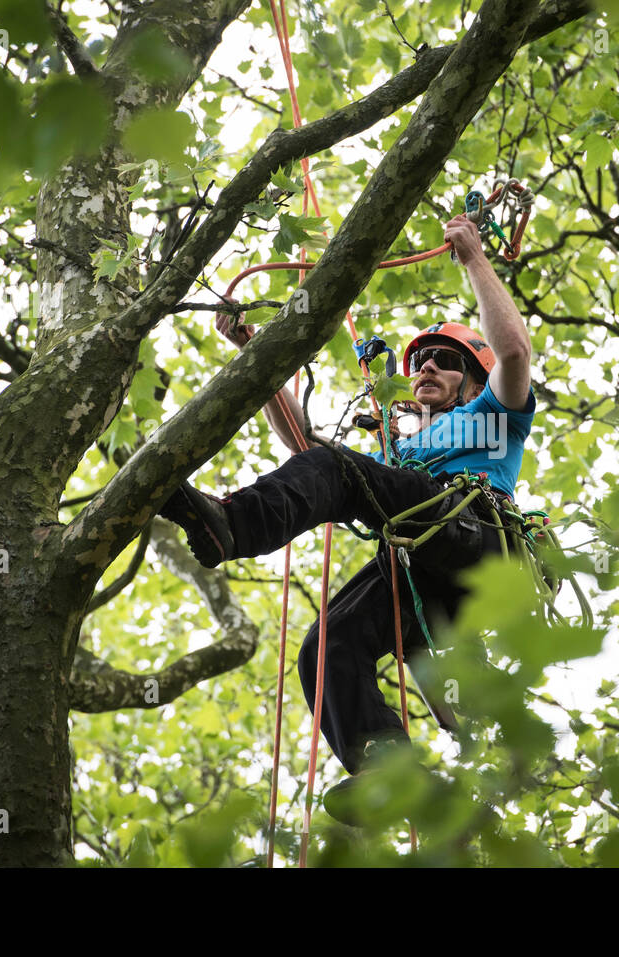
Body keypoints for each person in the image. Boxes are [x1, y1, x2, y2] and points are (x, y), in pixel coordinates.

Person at [157, 214, 535, 815]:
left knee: (339, 470)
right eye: (421, 362)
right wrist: (254, 353)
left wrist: (474, 260)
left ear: (473, 380)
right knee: (325, 647)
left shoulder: (496, 417)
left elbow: (513, 349)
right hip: (419, 561)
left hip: (473, 538)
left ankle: (231, 524)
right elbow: (305, 452)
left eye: (445, 360)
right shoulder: (402, 450)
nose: (427, 368)